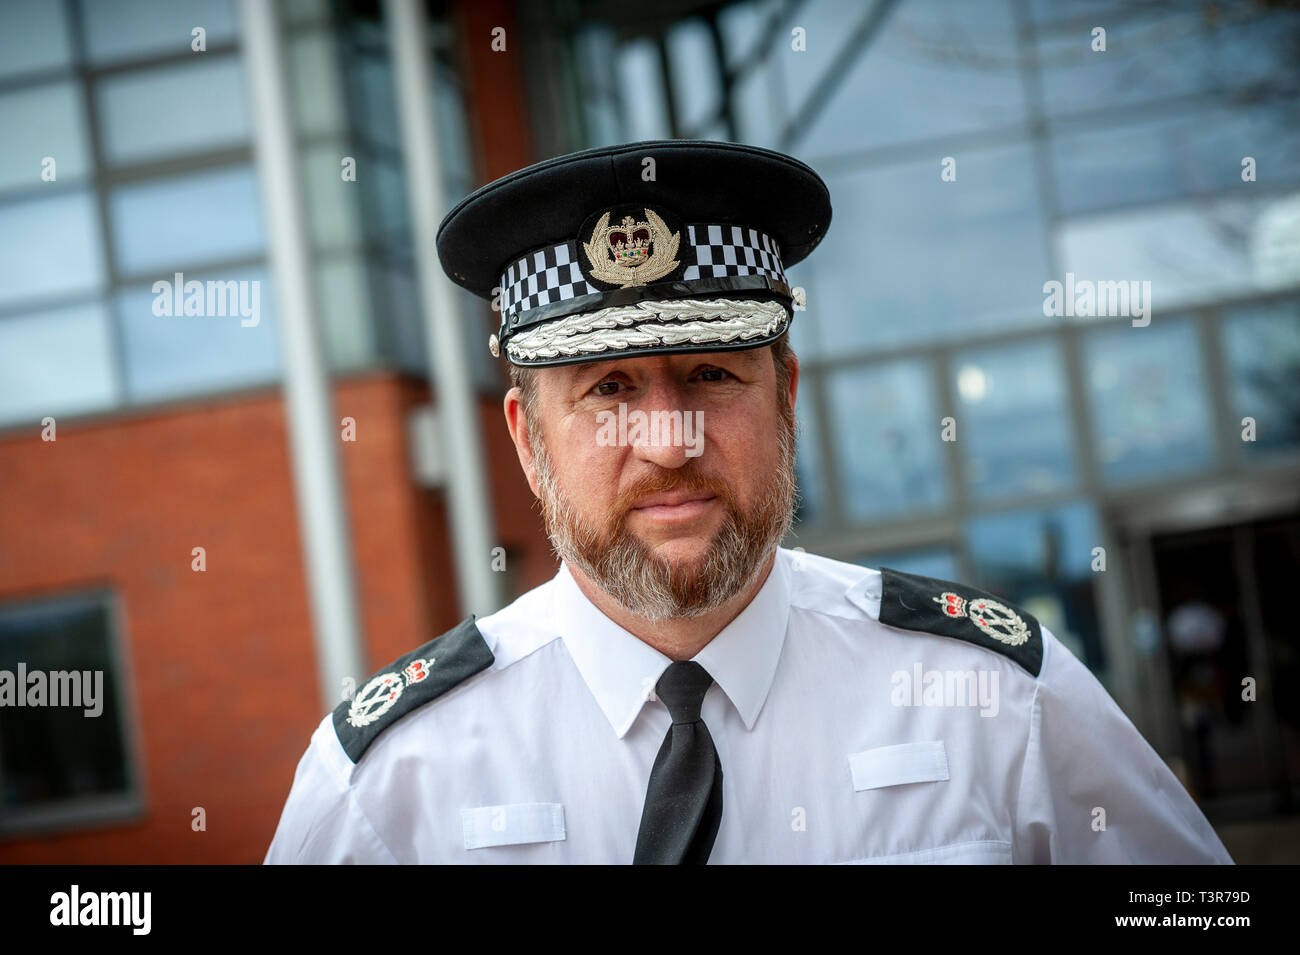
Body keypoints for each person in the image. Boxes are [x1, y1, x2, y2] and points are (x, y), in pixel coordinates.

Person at [264, 141, 1232, 864]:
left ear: (785, 397)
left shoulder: (995, 700)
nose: (670, 441)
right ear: (525, 437)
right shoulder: (389, 783)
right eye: (606, 391)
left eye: (713, 375)